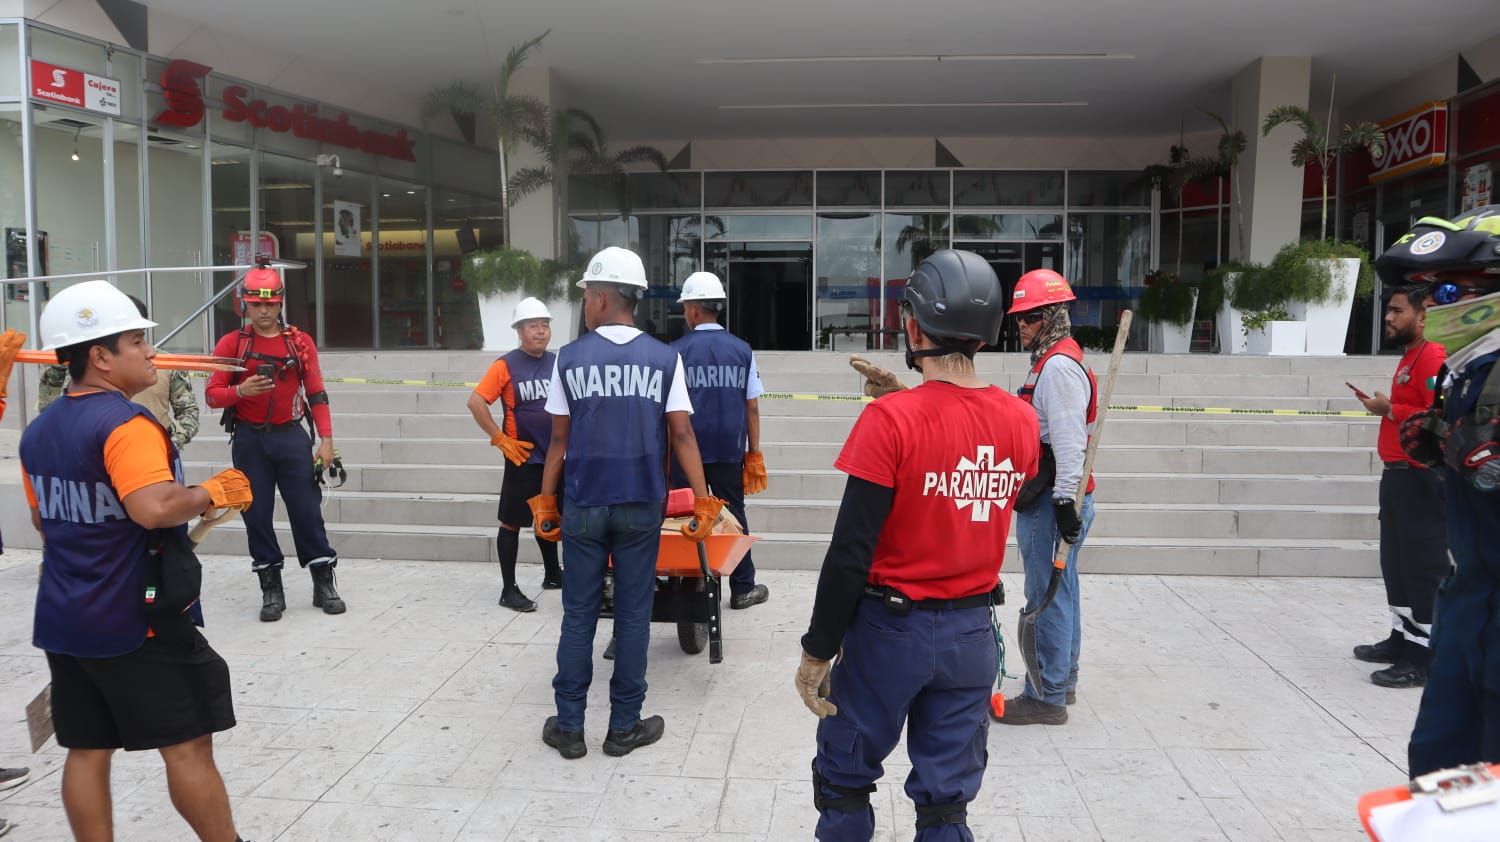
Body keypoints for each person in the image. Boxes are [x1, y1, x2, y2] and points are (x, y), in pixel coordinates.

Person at [796, 249, 1039, 842]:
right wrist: (911, 402)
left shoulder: (890, 422)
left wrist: (816, 651)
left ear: (912, 325)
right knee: (946, 806)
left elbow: (850, 551)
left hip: (888, 637)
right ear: (987, 333)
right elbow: (1002, 477)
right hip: (971, 637)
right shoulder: (1021, 420)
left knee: (845, 781)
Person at [20, 280, 254, 842]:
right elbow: (154, 508)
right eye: (135, 342)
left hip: (65, 614)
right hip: (137, 618)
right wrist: (212, 491)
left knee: (87, 747)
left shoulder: (39, 430)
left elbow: (42, 521)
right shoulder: (125, 425)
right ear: (99, 356)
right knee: (189, 744)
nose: (152, 352)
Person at [529, 246, 722, 760]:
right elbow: (682, 435)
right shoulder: (664, 358)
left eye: (586, 299)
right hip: (641, 505)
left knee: (578, 615)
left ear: (599, 297)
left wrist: (546, 502)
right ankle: (624, 726)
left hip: (583, 504)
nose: (585, 308)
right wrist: (703, 502)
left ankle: (569, 727)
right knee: (633, 616)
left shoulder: (569, 358)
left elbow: (557, 442)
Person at [1382, 206, 1500, 776]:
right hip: (1471, 601)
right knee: (1437, 761)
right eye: (1431, 293)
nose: (1436, 307)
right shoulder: (1467, 369)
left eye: (1450, 289)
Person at [204, 259, 345, 622]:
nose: (264, 311)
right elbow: (213, 394)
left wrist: (326, 440)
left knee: (307, 511)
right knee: (256, 515)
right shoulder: (231, 343)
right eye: (256, 304)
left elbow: (316, 393)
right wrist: (241, 390)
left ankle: (323, 580)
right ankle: (271, 587)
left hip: (291, 438)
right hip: (250, 441)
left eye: (270, 303)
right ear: (244, 304)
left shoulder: (298, 342)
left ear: (280, 303)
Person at [993, 268, 1096, 726]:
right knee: (1062, 589)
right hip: (1058, 497)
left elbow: (1072, 441)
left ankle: (1047, 695)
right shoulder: (1055, 358)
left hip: (1052, 502)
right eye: (1019, 318)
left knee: (1045, 595)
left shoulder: (1057, 367)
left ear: (1053, 315)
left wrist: (1062, 501)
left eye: (1031, 317)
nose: (1023, 326)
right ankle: (1061, 679)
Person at [1350, 286, 1447, 688]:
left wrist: (1390, 408)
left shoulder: (1433, 357)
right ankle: (1401, 636)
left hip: (1421, 476)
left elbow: (1439, 414)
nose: (1388, 318)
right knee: (1396, 563)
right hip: (1398, 475)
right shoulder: (1411, 355)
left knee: (1422, 566)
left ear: (1423, 317)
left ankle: (1423, 657)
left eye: (1396, 311)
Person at [671, 271, 769, 610]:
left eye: (686, 307)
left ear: (696, 310)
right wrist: (753, 453)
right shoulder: (742, 350)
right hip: (728, 450)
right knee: (733, 516)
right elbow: (752, 407)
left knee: (684, 516)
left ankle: (688, 587)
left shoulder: (675, 352)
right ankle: (743, 588)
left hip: (686, 452)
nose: (685, 313)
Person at [467, 296, 562, 612]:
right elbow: (476, 402)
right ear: (519, 331)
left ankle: (552, 574)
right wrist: (499, 438)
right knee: (512, 522)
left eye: (545, 325)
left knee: (549, 513)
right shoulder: (505, 365)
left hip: (555, 457)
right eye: (534, 326)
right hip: (522, 457)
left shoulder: (557, 362)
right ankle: (509, 589)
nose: (541, 331)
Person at [38, 294, 201, 450]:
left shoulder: (167, 363)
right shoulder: (81, 364)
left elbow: (188, 412)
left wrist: (168, 443)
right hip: (89, 449)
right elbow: (47, 407)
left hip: (151, 451)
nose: (149, 353)